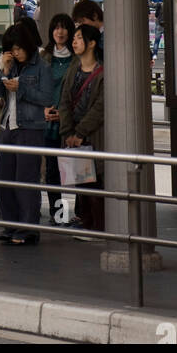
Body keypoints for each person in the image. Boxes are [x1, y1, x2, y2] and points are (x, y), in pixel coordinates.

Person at [0, 19, 53, 244]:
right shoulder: (12, 65)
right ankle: (10, 225)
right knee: (3, 178)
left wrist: (23, 88)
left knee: (26, 180)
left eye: (18, 48)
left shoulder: (42, 66)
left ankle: (27, 229)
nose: (15, 53)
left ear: (27, 45)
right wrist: (4, 71)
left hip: (30, 128)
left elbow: (47, 98)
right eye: (12, 49)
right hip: (8, 125)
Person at [57, 23, 105, 235]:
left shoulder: (102, 72)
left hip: (93, 136)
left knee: (96, 184)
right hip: (74, 136)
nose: (73, 42)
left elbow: (100, 107)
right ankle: (86, 224)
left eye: (78, 38)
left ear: (92, 43)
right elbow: (64, 101)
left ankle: (98, 227)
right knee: (82, 183)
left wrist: (79, 133)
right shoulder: (73, 68)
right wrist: (68, 133)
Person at [40, 13, 75, 224]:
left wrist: (65, 112)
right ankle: (58, 214)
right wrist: (42, 109)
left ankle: (78, 214)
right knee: (52, 170)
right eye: (55, 28)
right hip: (47, 121)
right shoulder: (44, 56)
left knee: (75, 171)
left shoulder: (76, 57)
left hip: (69, 121)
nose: (59, 32)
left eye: (63, 28)